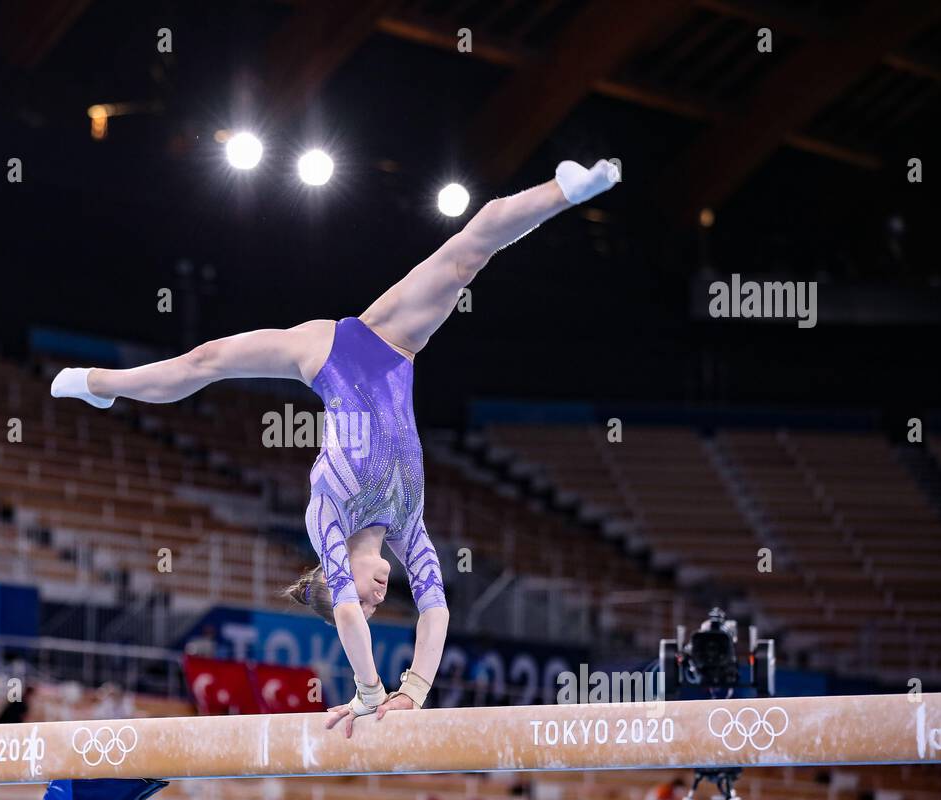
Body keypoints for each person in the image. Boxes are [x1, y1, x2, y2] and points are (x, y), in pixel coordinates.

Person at [51, 159, 621, 735]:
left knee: (205, 359)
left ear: (334, 572)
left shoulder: (326, 514)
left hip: (333, 350)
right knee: (465, 259)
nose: (376, 602)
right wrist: (413, 692)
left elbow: (346, 613)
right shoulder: (407, 523)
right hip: (390, 347)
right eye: (376, 608)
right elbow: (436, 608)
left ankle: (102, 383)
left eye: (366, 604)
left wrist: (369, 692)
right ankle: (567, 194)